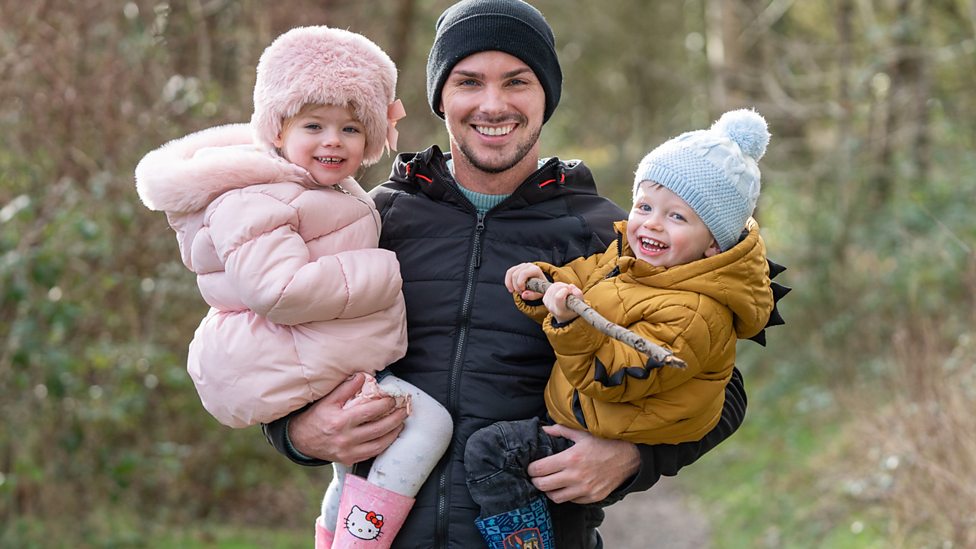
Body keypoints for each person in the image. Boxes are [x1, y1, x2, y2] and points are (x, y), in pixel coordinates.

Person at [262, 1, 786, 547]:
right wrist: (297, 431)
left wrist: (635, 458)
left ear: (546, 97)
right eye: (468, 81)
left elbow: (718, 387)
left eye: (517, 81)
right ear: (440, 96)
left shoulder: (607, 236)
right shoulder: (370, 217)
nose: (493, 104)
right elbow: (268, 347)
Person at [134, 26, 453, 549]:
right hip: (279, 355)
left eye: (351, 128)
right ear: (277, 129)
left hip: (318, 354)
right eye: (314, 124)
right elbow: (276, 290)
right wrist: (385, 272)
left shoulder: (319, 187)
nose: (333, 140)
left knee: (361, 452)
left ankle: (332, 536)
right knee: (428, 423)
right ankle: (359, 542)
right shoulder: (256, 194)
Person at [464, 109, 776, 548]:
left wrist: (568, 320)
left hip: (600, 423)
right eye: (645, 206)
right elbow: (580, 278)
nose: (650, 223)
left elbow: (614, 375)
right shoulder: (625, 261)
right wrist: (543, 282)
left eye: (677, 217)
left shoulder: (695, 311)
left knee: (493, 452)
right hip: (576, 418)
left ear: (714, 243)